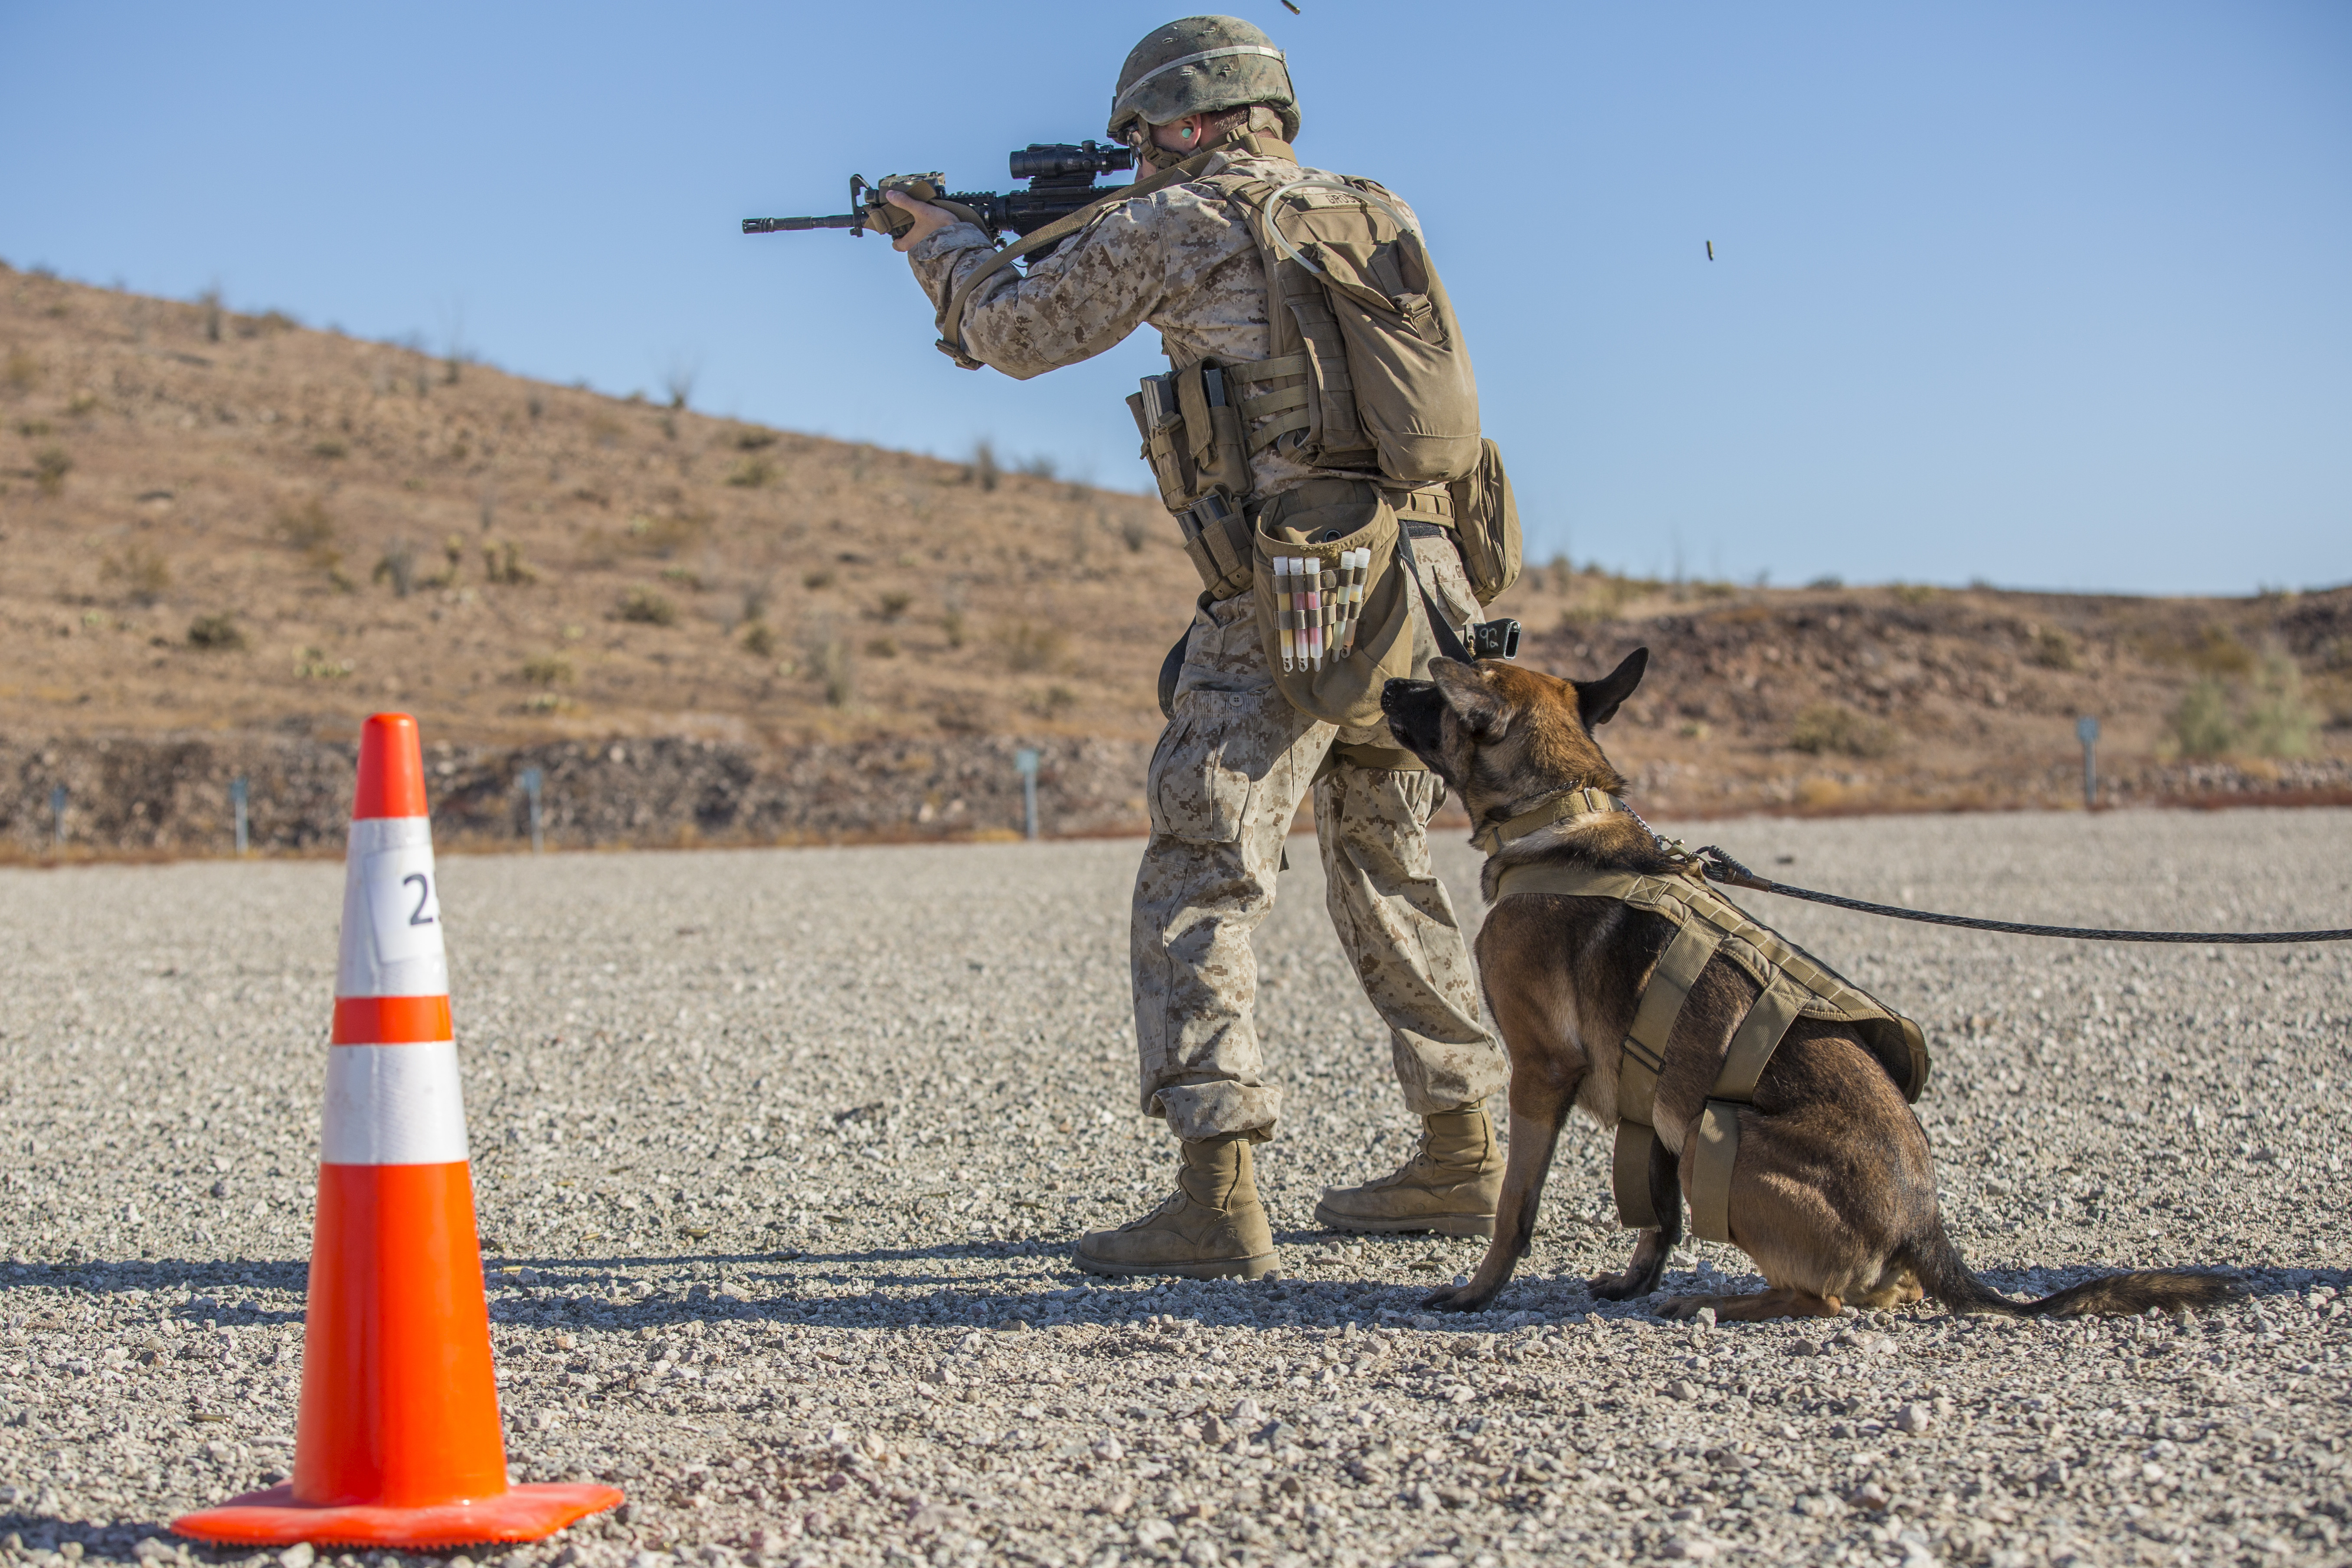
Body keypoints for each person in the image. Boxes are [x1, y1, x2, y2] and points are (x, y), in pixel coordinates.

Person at [884, 15, 1509, 1279]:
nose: (1135, 163)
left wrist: (943, 246)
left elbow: (1017, 336)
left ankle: (1215, 1194)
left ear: (1182, 124)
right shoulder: (1372, 203)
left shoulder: (1176, 222)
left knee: (1201, 863)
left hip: (1292, 597)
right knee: (1389, 857)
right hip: (1426, 589)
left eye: (1143, 140)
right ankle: (1462, 1149)